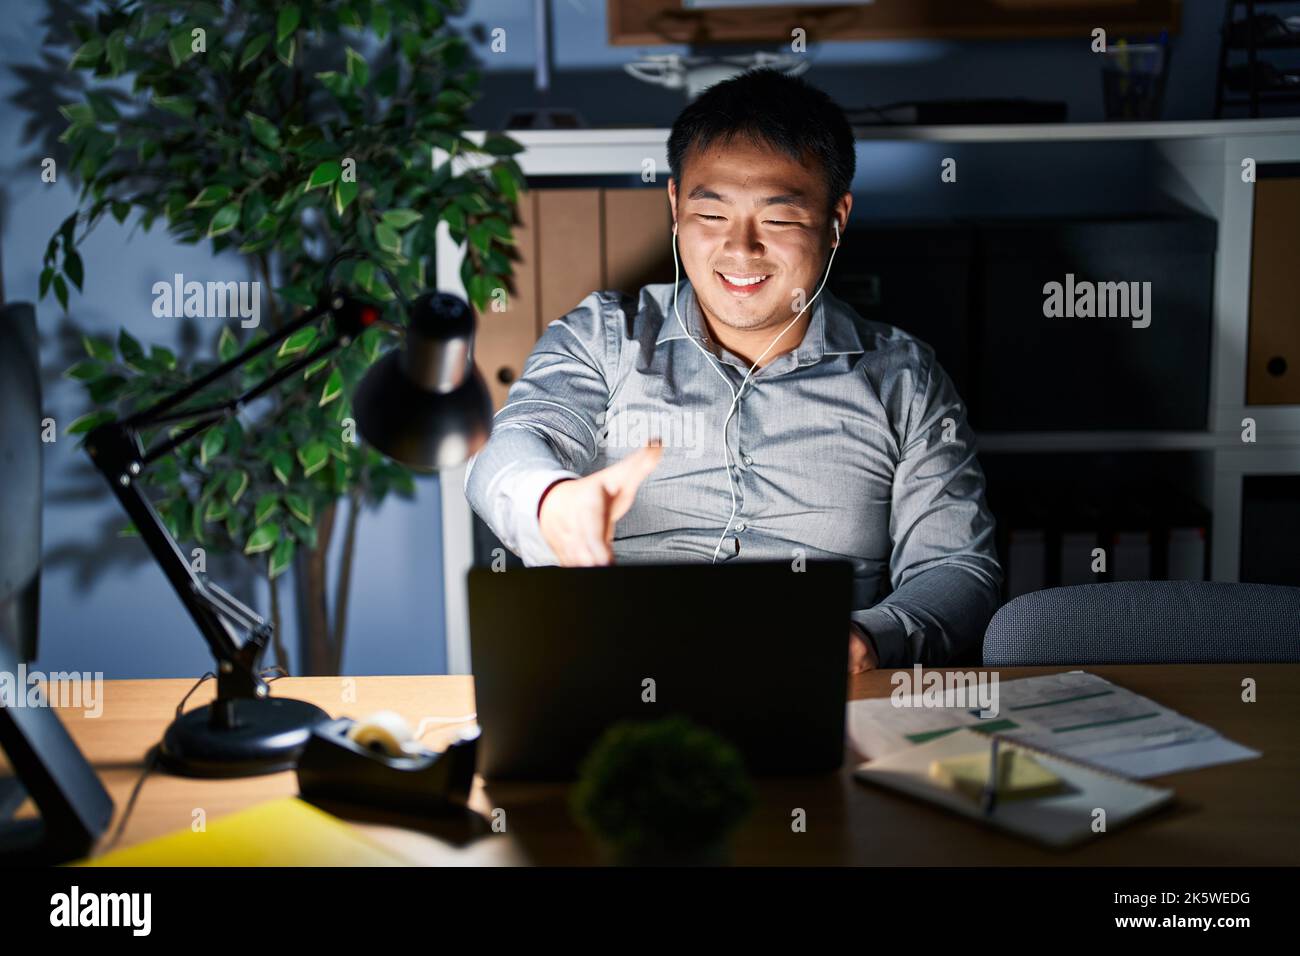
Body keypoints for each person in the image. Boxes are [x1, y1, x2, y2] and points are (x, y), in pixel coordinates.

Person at [465, 69, 1002, 672]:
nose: (741, 249)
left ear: (836, 219)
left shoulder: (903, 379)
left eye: (777, 219)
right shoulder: (601, 337)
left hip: (823, 686)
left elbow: (957, 565)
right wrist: (552, 502)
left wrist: (872, 637)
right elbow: (509, 447)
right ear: (674, 207)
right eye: (712, 215)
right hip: (615, 671)